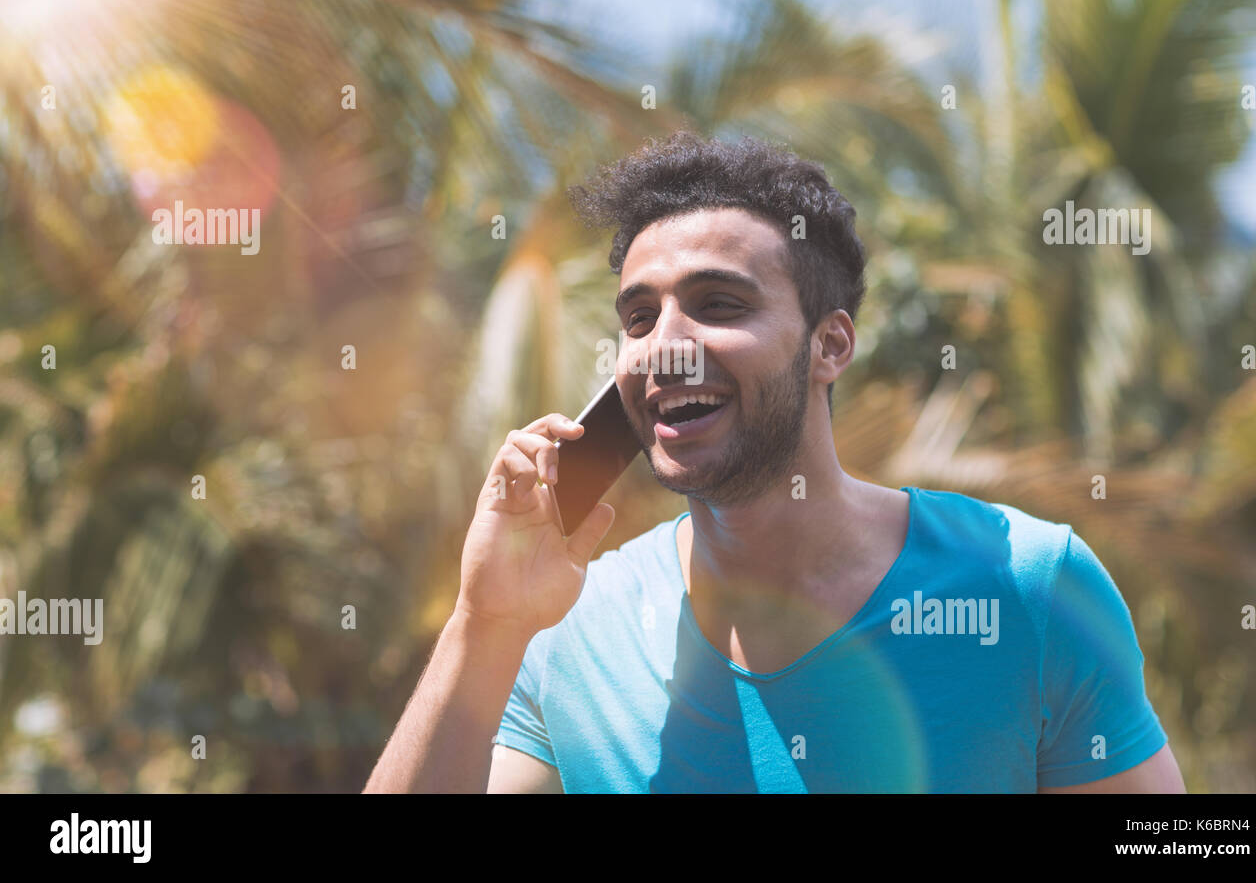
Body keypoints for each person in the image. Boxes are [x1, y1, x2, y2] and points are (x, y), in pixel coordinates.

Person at [364, 131, 1185, 793]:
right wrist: (486, 623)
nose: (667, 349)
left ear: (830, 345)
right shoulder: (567, 628)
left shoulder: (1030, 585)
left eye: (719, 305)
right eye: (640, 317)